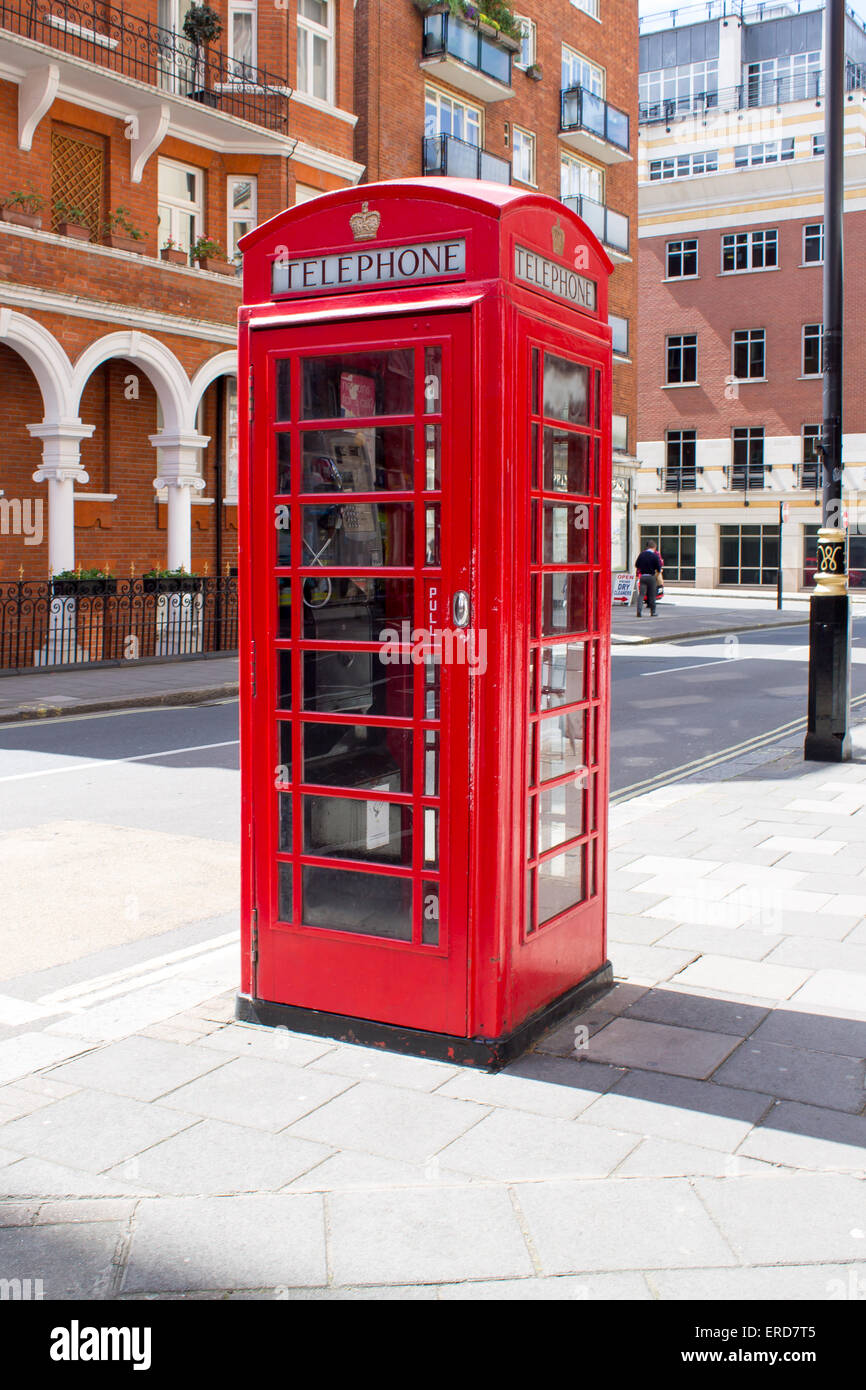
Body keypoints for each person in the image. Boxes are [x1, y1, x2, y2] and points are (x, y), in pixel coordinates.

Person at [634, 545, 661, 617]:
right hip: (651, 577)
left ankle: (639, 612)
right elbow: (659, 568)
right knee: (652, 595)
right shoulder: (654, 556)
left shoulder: (641, 554)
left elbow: (636, 565)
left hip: (643, 576)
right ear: (654, 547)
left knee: (641, 595)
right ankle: (653, 612)